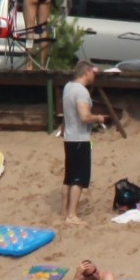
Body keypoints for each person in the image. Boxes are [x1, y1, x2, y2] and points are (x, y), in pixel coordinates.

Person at [61, 61, 112, 225]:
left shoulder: (68, 87)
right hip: (79, 139)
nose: (94, 76)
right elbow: (84, 117)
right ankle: (72, 215)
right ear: (86, 72)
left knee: (68, 177)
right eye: (93, 72)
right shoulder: (81, 91)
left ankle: (64, 212)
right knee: (79, 178)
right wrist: (98, 118)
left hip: (69, 138)